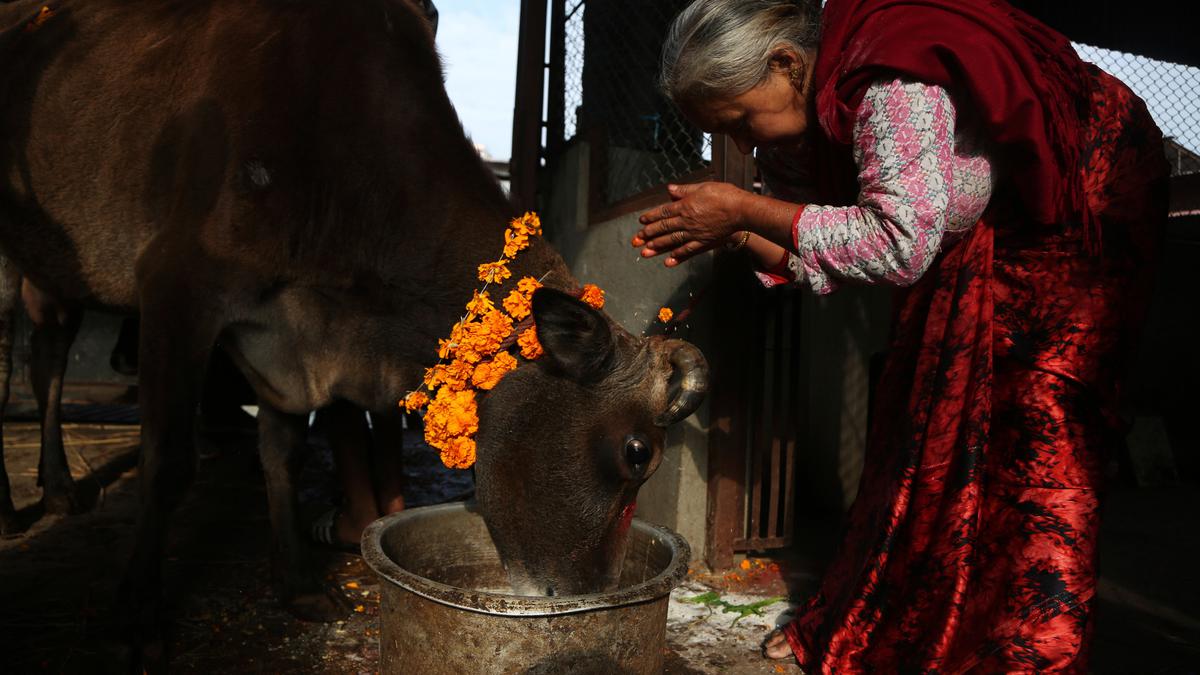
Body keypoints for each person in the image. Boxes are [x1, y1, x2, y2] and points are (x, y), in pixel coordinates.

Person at [636, 0, 1168, 671]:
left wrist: (745, 207)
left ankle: (1028, 649)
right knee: (926, 405)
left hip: (1086, 187)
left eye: (741, 120)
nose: (743, 146)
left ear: (785, 63)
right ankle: (898, 624)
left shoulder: (889, 81)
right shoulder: (809, 120)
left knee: (1040, 418)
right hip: (984, 217)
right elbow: (832, 249)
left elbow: (896, 245)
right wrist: (741, 233)